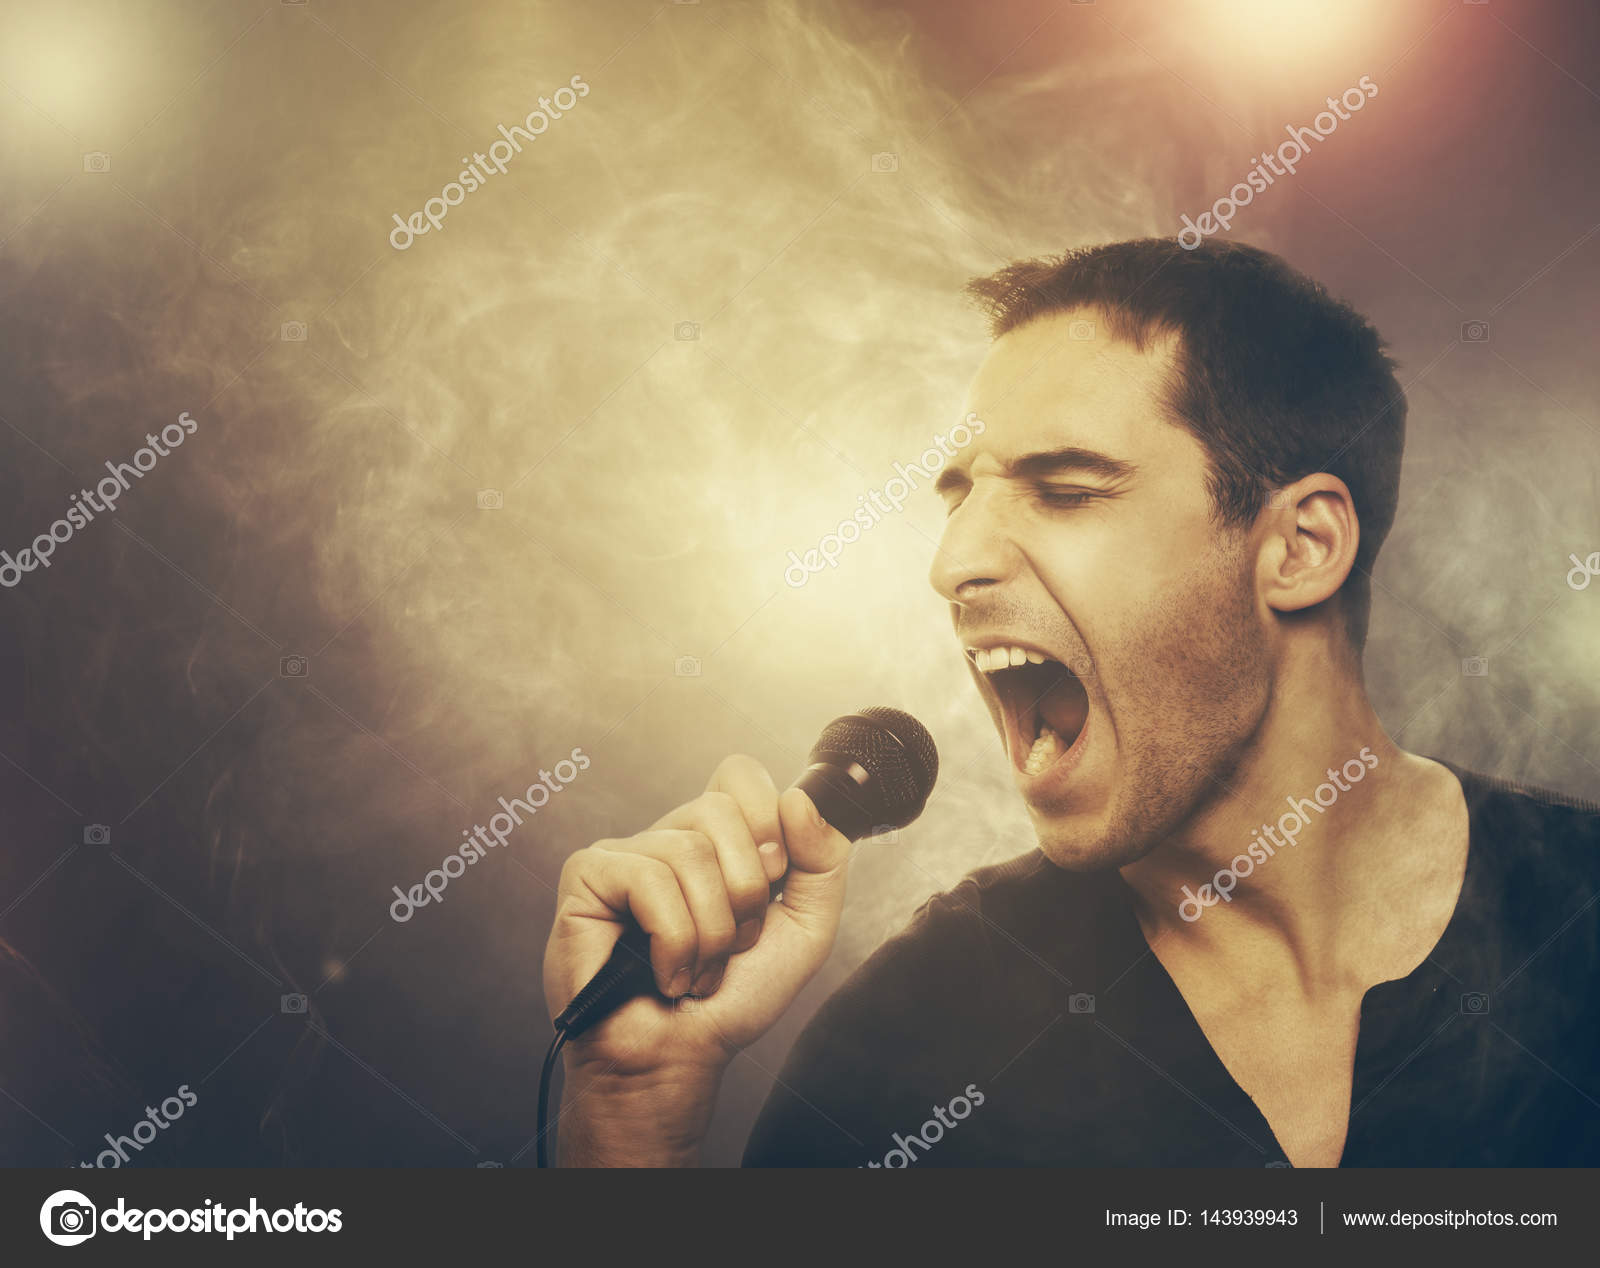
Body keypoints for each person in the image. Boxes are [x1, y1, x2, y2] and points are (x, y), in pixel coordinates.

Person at [541, 239, 1600, 1167]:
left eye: (1065, 488)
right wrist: (630, 1116)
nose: (953, 561)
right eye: (960, 494)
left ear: (1300, 545)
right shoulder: (910, 1042)